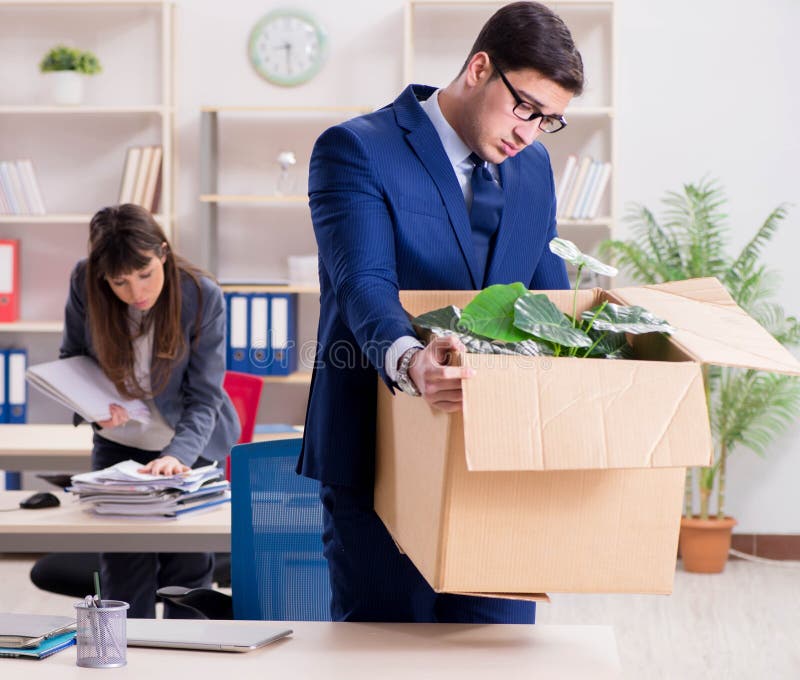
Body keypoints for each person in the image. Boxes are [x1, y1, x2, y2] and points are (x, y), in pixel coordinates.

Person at [299, 1, 584, 623]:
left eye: (549, 120)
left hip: (498, 458)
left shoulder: (532, 167)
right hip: (381, 451)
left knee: (500, 657)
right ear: (480, 68)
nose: (529, 132)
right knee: (387, 656)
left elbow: (547, 299)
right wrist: (411, 360)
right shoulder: (358, 148)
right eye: (525, 107)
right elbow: (363, 285)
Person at [59, 203, 240, 618]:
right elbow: (73, 358)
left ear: (163, 252)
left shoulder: (200, 294)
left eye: (145, 274)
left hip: (190, 445)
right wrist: (93, 408)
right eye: (120, 282)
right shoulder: (83, 281)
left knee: (187, 572)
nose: (137, 292)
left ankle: (185, 664)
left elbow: (205, 395)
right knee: (124, 570)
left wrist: (177, 456)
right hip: (119, 444)